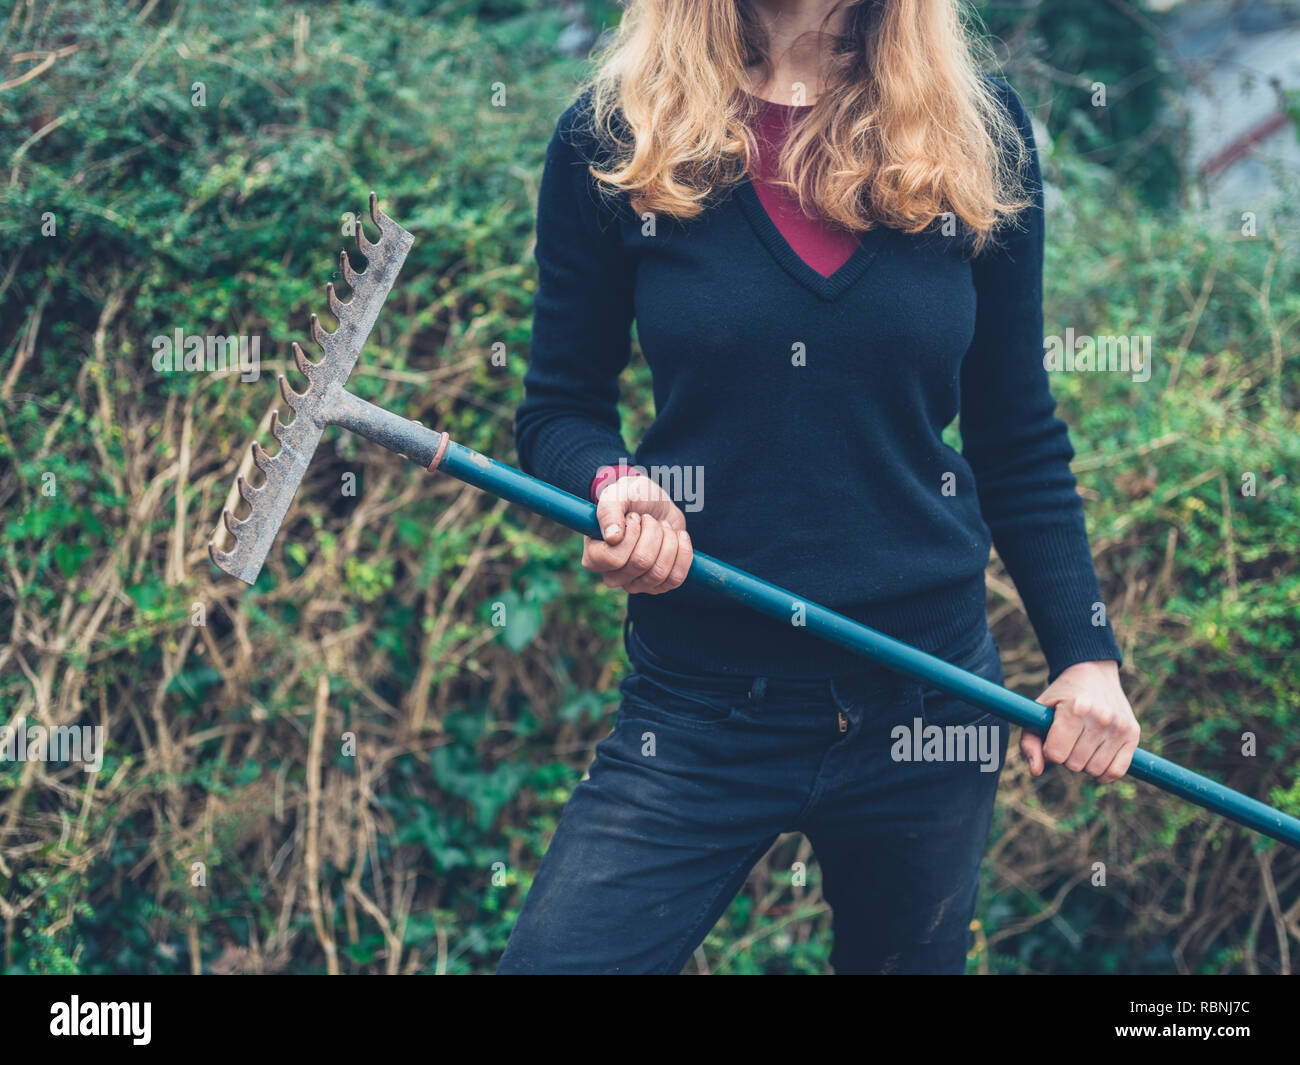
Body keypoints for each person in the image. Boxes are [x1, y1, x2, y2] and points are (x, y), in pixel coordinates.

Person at [503, 0, 1140, 975]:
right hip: (701, 706)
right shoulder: (619, 130)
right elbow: (558, 407)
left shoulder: (979, 129)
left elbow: (1014, 431)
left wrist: (1086, 654)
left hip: (929, 699)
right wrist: (615, 483)